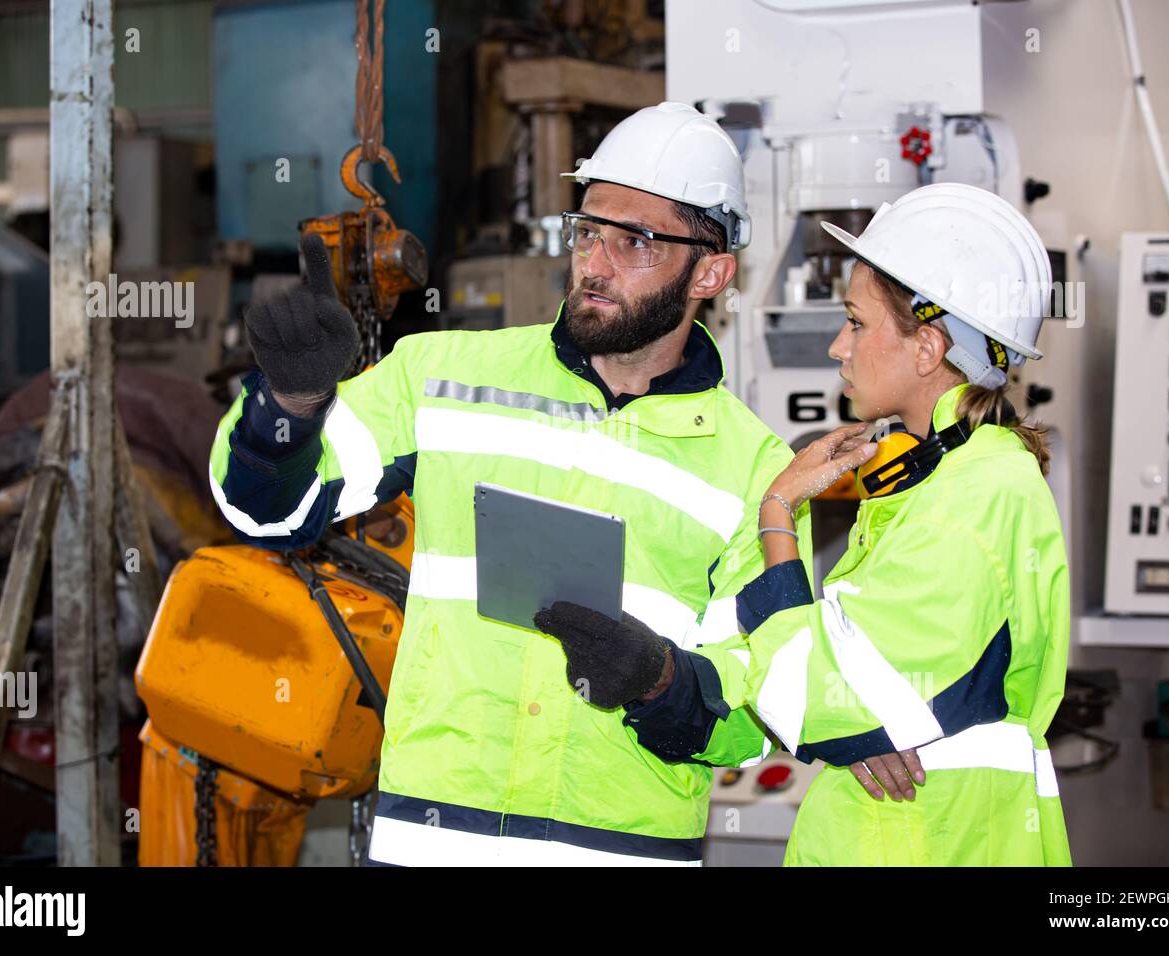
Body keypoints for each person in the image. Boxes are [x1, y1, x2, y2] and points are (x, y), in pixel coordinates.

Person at [212, 102, 820, 865]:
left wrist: (661, 682)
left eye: (634, 241)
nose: (594, 264)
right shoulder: (443, 377)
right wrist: (290, 406)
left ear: (711, 271)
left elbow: (755, 715)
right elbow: (268, 513)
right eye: (589, 231)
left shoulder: (755, 471)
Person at [538, 182, 1073, 865]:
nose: (836, 348)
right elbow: (835, 693)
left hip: (934, 842)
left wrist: (776, 514)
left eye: (855, 322)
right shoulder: (945, 484)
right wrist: (853, 718)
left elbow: (813, 698)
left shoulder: (974, 495)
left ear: (927, 347)